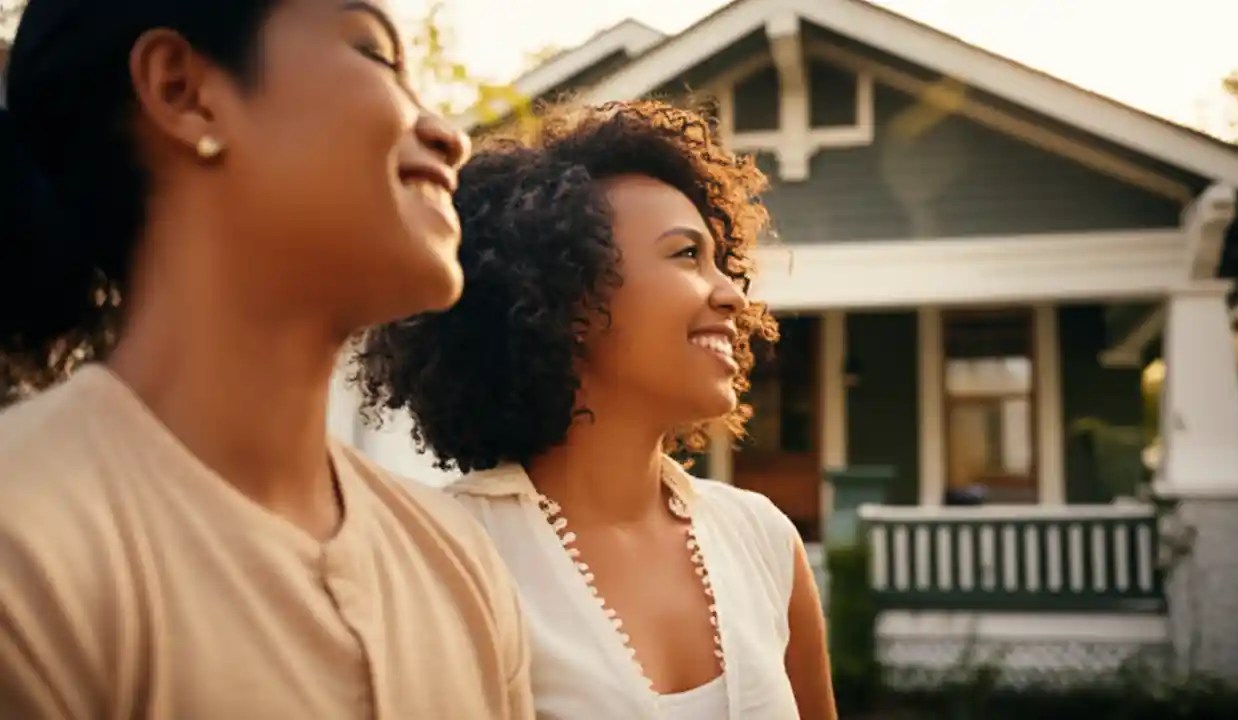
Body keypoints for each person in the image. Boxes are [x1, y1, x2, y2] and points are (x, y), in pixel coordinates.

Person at [0, 1, 531, 718]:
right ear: (184, 93)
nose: (448, 135)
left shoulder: (457, 564)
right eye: (375, 53)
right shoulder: (27, 552)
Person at [358, 100, 839, 720]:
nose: (730, 295)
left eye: (722, 262)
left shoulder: (764, 538)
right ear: (571, 302)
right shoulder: (449, 555)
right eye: (687, 255)